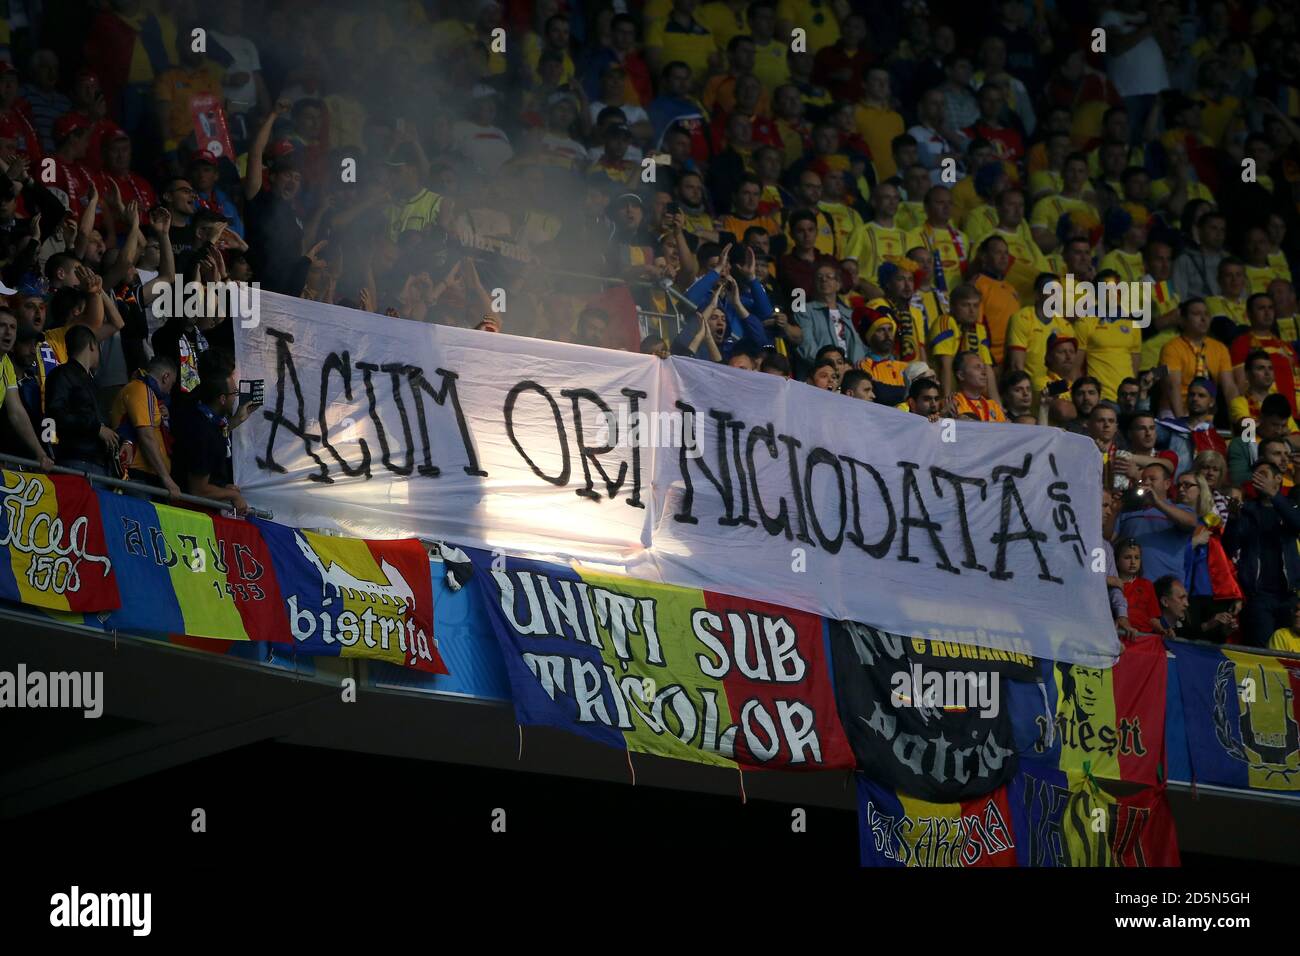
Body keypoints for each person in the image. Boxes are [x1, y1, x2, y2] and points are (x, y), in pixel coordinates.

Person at [1225, 461, 1300, 647]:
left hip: (1289, 596)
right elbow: (1229, 548)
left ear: (1278, 479)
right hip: (1258, 597)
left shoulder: (1291, 507)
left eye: (1263, 474)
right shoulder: (1247, 510)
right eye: (1255, 475)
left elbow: (1297, 525)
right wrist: (1233, 520)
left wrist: (1274, 496)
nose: (1257, 478)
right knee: (1262, 652)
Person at [170, 349, 249, 513]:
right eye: (234, 393)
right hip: (190, 516)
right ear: (221, 398)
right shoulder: (202, 431)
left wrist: (222, 487)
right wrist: (233, 496)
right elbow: (198, 489)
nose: (236, 397)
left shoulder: (210, 421)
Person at [43, 325, 119, 476]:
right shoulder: (62, 374)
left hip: (97, 463)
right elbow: (55, 415)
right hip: (76, 461)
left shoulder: (91, 382)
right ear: (92, 345)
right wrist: (96, 428)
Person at [1113, 459, 1196, 582]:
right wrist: (1114, 507)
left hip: (1165, 589)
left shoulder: (1179, 509)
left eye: (1152, 479)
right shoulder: (1127, 510)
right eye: (1143, 480)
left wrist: (1157, 503)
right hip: (1131, 586)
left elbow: (1191, 523)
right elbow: (1110, 539)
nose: (1146, 483)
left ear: (1167, 484)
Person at [110, 355, 181, 497]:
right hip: (137, 479)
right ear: (166, 377)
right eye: (171, 384)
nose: (169, 391)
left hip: (150, 480)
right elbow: (146, 436)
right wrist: (167, 479)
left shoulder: (153, 397)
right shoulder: (140, 389)